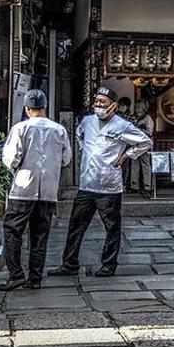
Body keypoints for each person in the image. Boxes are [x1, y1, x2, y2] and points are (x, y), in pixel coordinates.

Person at [50, 86, 152, 277]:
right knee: (75, 226)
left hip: (109, 186)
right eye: (96, 101)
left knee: (112, 227)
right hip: (87, 184)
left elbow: (146, 142)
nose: (98, 105)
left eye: (102, 102)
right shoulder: (87, 121)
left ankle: (109, 264)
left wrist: (126, 156)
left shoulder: (122, 126)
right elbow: (79, 136)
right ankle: (69, 263)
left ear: (113, 106)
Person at [0, 89, 72, 291]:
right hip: (48, 191)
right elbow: (66, 159)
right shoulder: (59, 130)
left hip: (22, 189)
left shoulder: (21, 128)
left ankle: (16, 275)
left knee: (12, 232)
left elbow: (11, 158)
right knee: (40, 236)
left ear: (28, 109)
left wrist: (16, 167)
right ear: (45, 107)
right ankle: (35, 278)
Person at [128, 100, 155, 197]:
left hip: (145, 145)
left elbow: (149, 132)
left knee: (145, 165)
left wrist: (139, 128)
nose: (135, 109)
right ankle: (134, 185)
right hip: (136, 144)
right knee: (134, 164)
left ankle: (147, 186)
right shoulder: (135, 118)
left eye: (137, 107)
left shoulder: (148, 119)